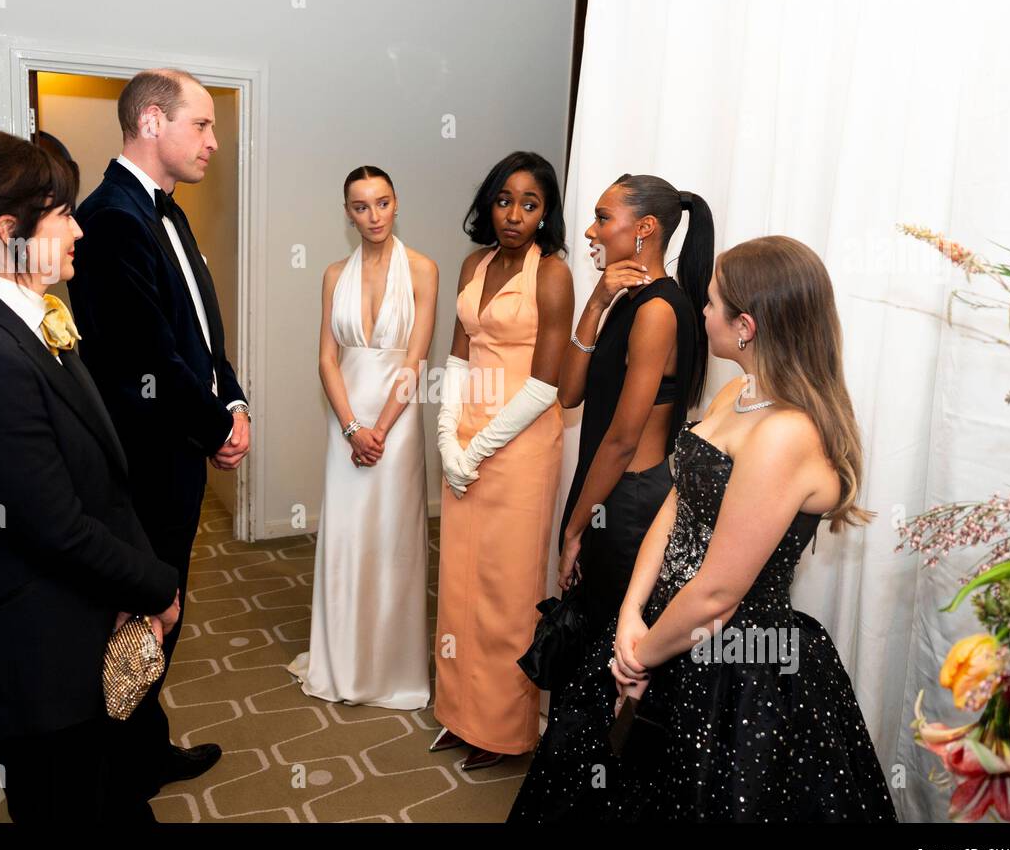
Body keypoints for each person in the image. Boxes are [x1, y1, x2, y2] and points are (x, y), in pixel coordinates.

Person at [508, 235, 898, 822]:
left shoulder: (785, 434)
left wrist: (640, 657)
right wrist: (631, 615)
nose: (703, 312)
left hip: (733, 657)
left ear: (746, 325)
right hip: (662, 624)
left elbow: (719, 591)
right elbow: (675, 506)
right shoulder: (738, 394)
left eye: (712, 303)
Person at [0, 127, 180, 823]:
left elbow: (96, 483)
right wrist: (159, 586)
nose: (79, 229)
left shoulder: (27, 320)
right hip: (37, 658)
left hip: (76, 628)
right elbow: (54, 525)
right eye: (63, 214)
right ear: (8, 230)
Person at [67, 68, 247, 797]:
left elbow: (200, 331)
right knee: (144, 608)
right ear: (150, 122)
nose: (213, 140)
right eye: (201, 125)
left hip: (181, 443)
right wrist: (216, 430)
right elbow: (147, 355)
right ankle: (113, 764)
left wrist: (230, 399)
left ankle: (142, 747)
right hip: (143, 459)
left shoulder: (166, 211)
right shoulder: (112, 216)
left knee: (163, 600)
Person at [431, 151, 574, 770]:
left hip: (519, 446)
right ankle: (459, 713)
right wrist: (445, 436)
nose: (514, 214)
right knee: (460, 584)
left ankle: (503, 729)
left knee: (507, 589)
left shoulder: (555, 275)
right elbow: (458, 357)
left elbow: (548, 384)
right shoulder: (474, 262)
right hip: (463, 438)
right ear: (487, 205)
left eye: (530, 203)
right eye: (504, 200)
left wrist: (479, 446)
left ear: (546, 214)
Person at [287, 166, 438, 709]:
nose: (373, 216)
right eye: (360, 206)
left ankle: (391, 667)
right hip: (346, 419)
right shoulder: (333, 274)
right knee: (348, 535)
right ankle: (343, 660)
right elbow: (327, 358)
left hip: (395, 424)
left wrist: (379, 429)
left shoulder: (422, 268)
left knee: (393, 540)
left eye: (382, 203)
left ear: (397, 204)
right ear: (347, 212)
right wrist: (352, 427)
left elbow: (416, 361)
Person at [552, 176, 712, 687]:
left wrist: (576, 527)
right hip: (610, 489)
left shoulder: (660, 310)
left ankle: (610, 764)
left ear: (645, 228)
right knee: (597, 642)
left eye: (603, 217)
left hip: (628, 502)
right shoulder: (627, 298)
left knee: (611, 649)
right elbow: (569, 393)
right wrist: (596, 302)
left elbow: (622, 440)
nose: (590, 230)